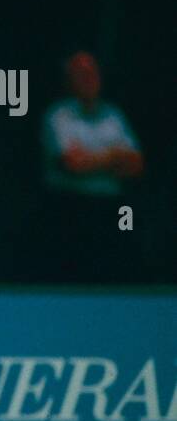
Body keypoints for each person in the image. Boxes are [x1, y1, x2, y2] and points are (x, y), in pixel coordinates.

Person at [41, 51, 144, 282]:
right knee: (72, 276)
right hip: (70, 210)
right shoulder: (58, 116)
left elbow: (136, 164)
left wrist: (92, 159)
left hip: (111, 210)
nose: (90, 79)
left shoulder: (113, 115)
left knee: (114, 273)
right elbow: (72, 164)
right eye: (82, 74)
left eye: (93, 73)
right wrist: (114, 156)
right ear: (68, 81)